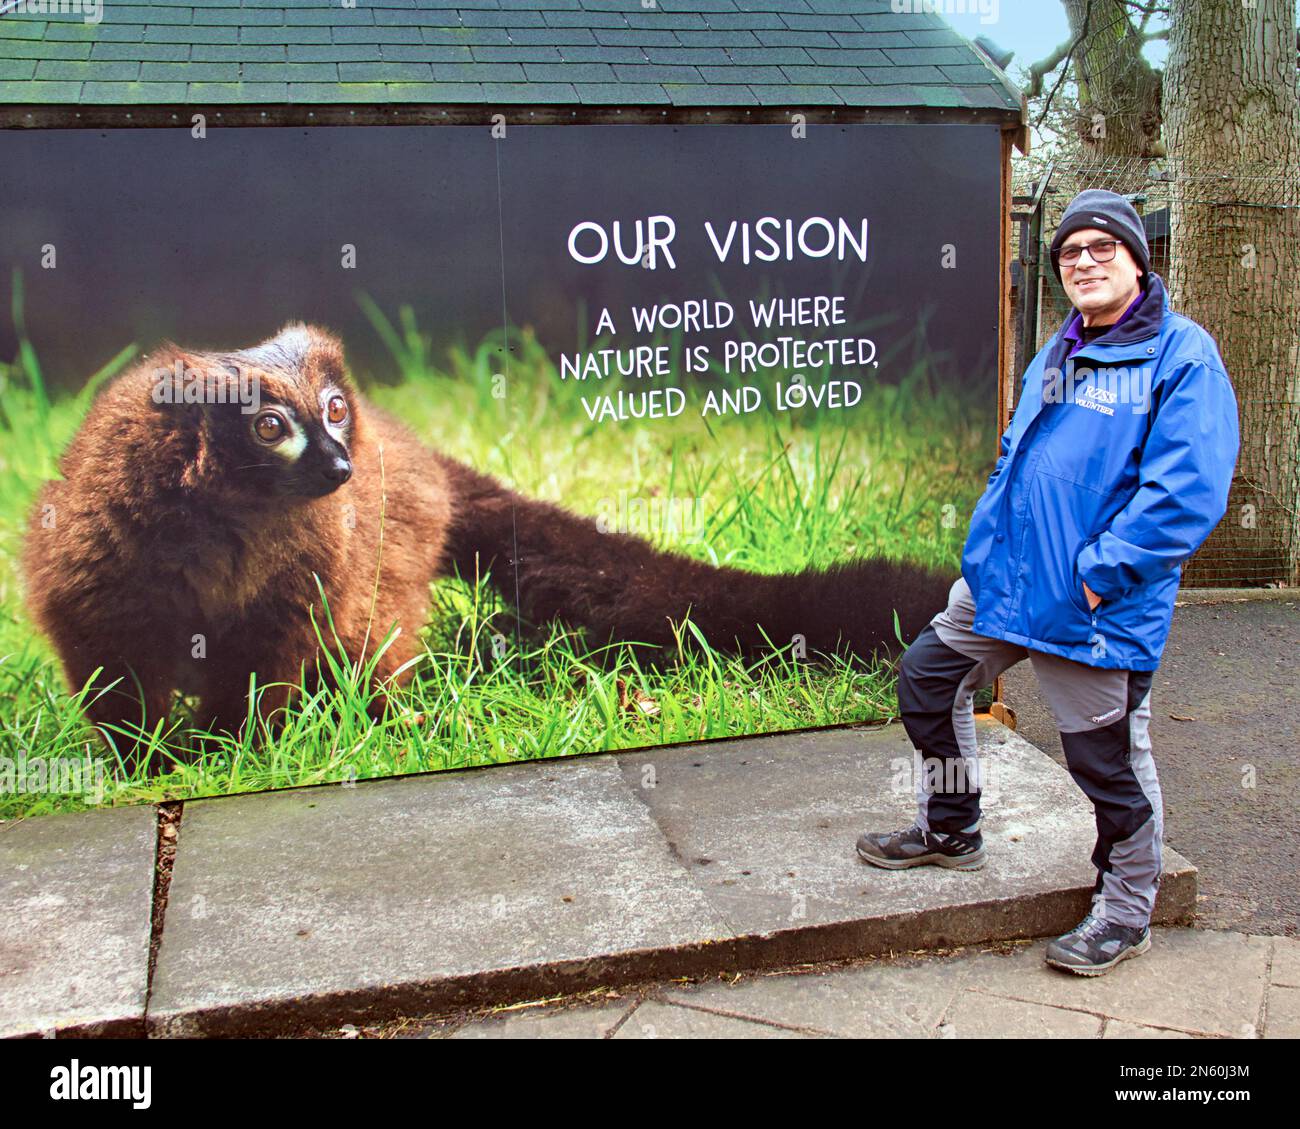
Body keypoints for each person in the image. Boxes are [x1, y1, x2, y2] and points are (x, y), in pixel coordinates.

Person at [856, 189, 1241, 976]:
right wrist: (987, 542)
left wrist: (1101, 574)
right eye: (1072, 252)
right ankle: (952, 827)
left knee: (1107, 763)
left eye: (1104, 249)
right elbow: (1016, 456)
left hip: (1095, 605)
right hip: (1007, 584)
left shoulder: (1182, 356)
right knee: (929, 680)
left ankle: (1128, 909)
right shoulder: (1056, 350)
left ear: (1138, 260)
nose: (1086, 262)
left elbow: (1187, 495)